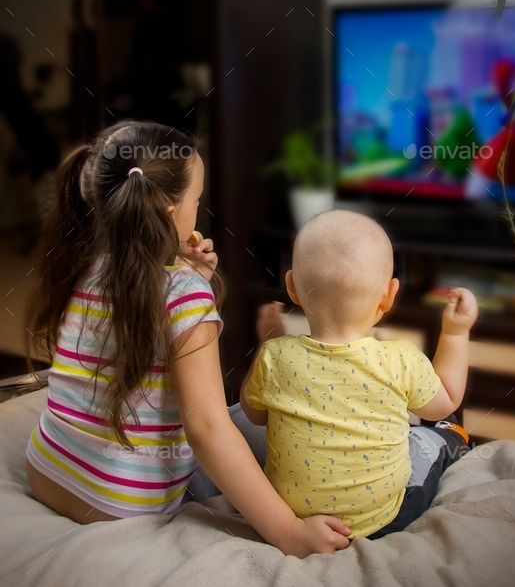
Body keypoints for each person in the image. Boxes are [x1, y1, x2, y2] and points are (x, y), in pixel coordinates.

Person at [24, 121, 351, 557]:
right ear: (167, 209)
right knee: (248, 425)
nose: (198, 210)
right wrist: (289, 532)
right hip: (123, 503)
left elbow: (140, 321)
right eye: (196, 199)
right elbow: (207, 429)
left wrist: (182, 273)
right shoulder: (183, 293)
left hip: (46, 472)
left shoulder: (89, 264)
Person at [241, 209, 478, 540]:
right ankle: (452, 438)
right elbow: (447, 399)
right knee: (426, 437)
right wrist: (455, 332)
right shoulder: (401, 358)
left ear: (292, 286)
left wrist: (268, 341)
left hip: (294, 516)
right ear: (389, 295)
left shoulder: (275, 357)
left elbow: (254, 414)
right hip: (385, 519)